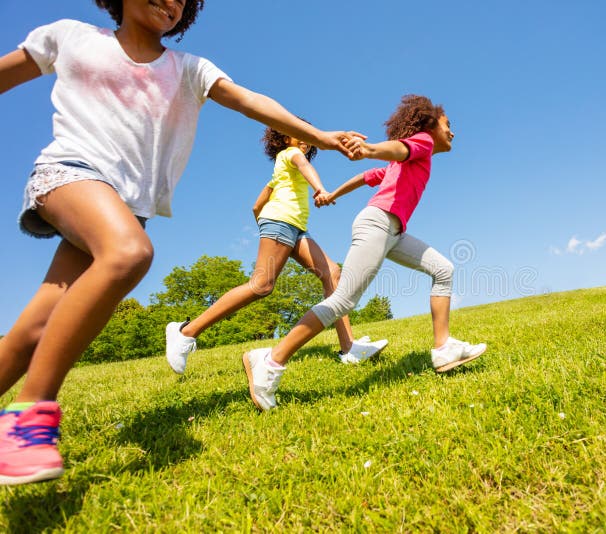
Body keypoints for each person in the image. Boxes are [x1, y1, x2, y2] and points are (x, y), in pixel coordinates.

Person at [0, 0, 362, 485]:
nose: (172, 1)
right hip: (67, 174)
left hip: (127, 207)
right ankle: (31, 415)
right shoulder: (70, 36)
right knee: (129, 253)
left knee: (33, 332)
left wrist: (320, 135)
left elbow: (253, 101)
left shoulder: (189, 70)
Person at [242, 95, 487, 412]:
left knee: (443, 269)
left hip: (392, 231)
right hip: (378, 225)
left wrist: (332, 193)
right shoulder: (422, 143)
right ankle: (271, 361)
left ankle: (443, 348)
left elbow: (364, 177)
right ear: (430, 124)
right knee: (343, 299)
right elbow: (401, 148)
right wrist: (369, 150)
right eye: (448, 125)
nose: (452, 132)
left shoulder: (400, 166)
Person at [165, 125, 388, 374]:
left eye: (308, 138)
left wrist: (265, 224)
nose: (305, 141)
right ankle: (185, 332)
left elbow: (256, 206)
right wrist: (319, 190)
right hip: (282, 224)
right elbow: (305, 167)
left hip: (295, 229)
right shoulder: (291, 155)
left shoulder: (279, 172)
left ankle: (348, 348)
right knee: (261, 286)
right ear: (285, 138)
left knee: (332, 274)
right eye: (300, 136)